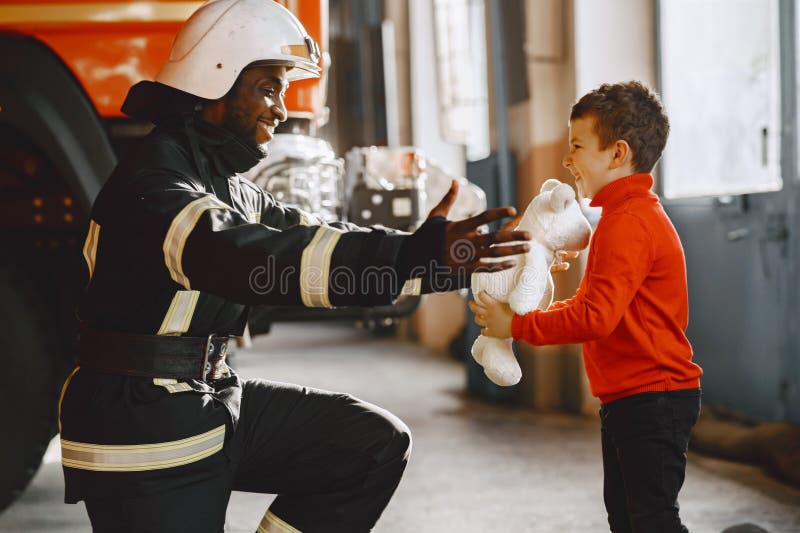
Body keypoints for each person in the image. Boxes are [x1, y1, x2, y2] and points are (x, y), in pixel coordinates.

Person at [58, 1, 534, 532]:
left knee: (368, 446)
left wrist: (450, 264)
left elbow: (314, 241)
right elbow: (256, 260)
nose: (281, 109)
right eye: (267, 88)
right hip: (139, 424)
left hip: (205, 398)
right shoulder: (154, 189)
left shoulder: (226, 186)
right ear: (212, 83)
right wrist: (408, 256)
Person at [470, 81, 703, 533]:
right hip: (630, 397)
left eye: (577, 146)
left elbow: (595, 318)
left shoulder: (628, 223)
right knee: (627, 517)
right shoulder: (622, 217)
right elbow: (592, 304)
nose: (566, 160)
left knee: (652, 519)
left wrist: (517, 324)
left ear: (617, 154)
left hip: (653, 397)